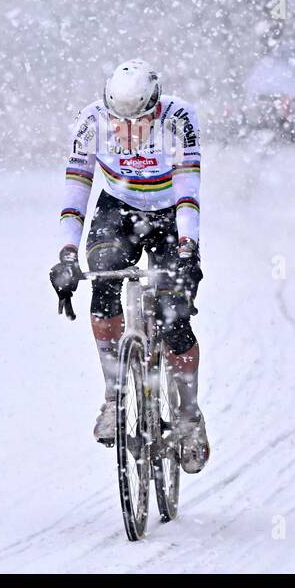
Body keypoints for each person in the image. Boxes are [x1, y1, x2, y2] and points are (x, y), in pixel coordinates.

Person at [47, 59, 209, 473]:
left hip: (171, 211)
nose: (127, 129)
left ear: (155, 107)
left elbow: (189, 187)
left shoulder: (179, 118)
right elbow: (76, 186)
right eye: (119, 120)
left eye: (138, 119)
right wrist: (67, 253)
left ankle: (189, 417)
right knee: (101, 283)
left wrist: (188, 247)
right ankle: (113, 396)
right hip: (118, 210)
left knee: (174, 317)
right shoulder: (91, 122)